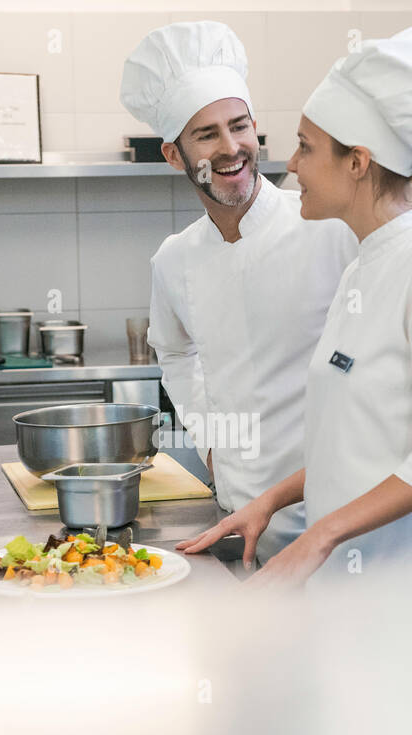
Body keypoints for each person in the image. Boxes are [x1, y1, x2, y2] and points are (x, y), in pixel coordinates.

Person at [178, 25, 412, 588]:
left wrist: (317, 538)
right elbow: (355, 444)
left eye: (306, 147)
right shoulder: (361, 269)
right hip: (359, 591)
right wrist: (271, 501)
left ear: (358, 161)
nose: (293, 168)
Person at [120, 21, 357, 566]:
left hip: (339, 523)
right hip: (237, 519)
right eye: (207, 135)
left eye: (240, 126)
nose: (231, 149)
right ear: (174, 155)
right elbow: (176, 354)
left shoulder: (326, 228)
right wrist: (208, 442)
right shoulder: (175, 259)